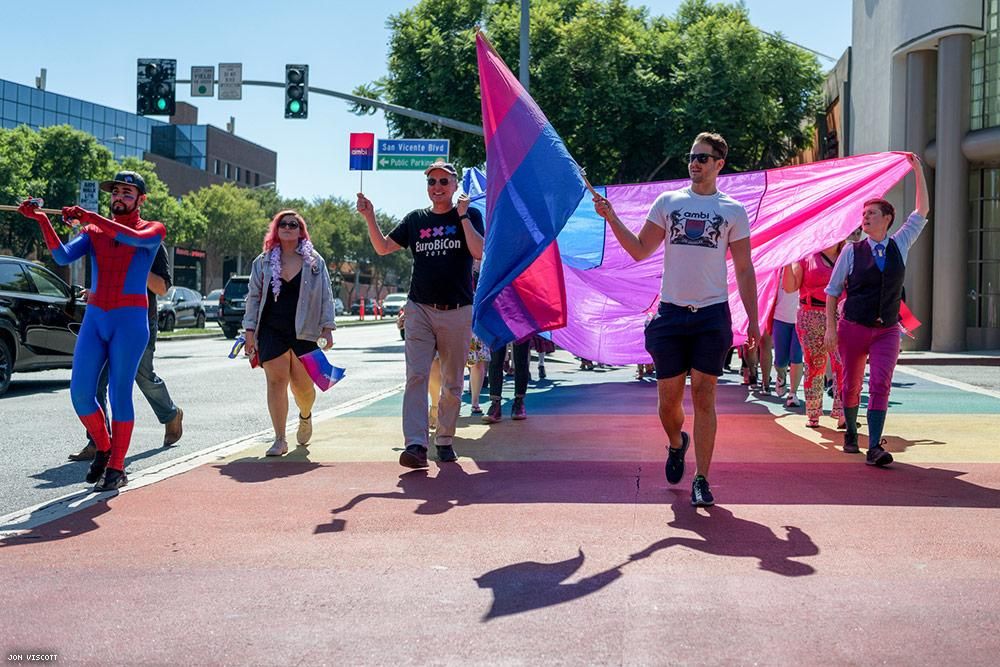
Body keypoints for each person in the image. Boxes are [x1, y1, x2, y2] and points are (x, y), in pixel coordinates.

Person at [593, 132, 759, 507]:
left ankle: (702, 478)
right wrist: (612, 216)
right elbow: (638, 251)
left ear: (719, 164)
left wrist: (754, 319)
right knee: (668, 403)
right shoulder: (668, 203)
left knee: (704, 394)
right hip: (670, 314)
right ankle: (675, 442)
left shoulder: (733, 210)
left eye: (703, 157)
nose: (695, 163)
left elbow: (745, 269)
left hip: (712, 314)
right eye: (692, 157)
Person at [18, 171, 166, 491]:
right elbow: (62, 255)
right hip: (96, 318)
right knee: (81, 394)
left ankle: (116, 467)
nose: (119, 197)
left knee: (119, 393)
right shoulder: (94, 229)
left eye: (128, 193)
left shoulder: (152, 230)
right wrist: (42, 219)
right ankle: (103, 446)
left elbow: (132, 239)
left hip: (130, 321)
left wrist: (90, 217)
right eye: (116, 192)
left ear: (141, 199)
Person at [358, 160, 484, 468]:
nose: (437, 188)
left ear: (455, 187)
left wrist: (464, 216)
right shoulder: (416, 220)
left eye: (443, 182)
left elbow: (479, 252)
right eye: (432, 182)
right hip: (419, 309)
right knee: (416, 375)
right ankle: (415, 444)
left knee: (453, 382)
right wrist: (369, 215)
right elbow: (384, 247)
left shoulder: (470, 215)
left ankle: (444, 439)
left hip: (457, 310)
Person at [825, 154, 930, 465]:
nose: (865, 218)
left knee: (882, 382)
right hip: (853, 326)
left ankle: (874, 447)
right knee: (851, 383)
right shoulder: (851, 251)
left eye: (871, 213)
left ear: (887, 218)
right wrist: (831, 328)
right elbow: (832, 293)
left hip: (886, 330)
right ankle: (849, 434)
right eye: (863, 214)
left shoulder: (901, 243)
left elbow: (922, 210)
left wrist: (918, 170)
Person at [68, 243, 184, 461]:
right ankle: (98, 441)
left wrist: (136, 265)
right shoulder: (107, 241)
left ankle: (171, 414)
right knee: (96, 382)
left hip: (139, 322)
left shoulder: (151, 244)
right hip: (105, 321)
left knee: (143, 376)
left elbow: (161, 288)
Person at [243, 210, 336, 457]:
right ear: (276, 229)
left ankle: (305, 415)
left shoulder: (315, 262)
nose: (287, 227)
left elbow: (326, 295)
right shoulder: (262, 261)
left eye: (293, 224)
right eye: (282, 224)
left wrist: (328, 327)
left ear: (300, 230)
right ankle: (280, 438)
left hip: (305, 331)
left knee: (302, 388)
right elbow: (253, 297)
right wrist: (249, 332)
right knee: (276, 382)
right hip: (272, 329)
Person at [786, 242, 846, 427]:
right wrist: (786, 260)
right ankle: (813, 413)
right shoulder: (806, 255)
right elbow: (790, 287)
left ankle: (844, 413)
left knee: (843, 363)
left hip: (841, 315)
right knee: (814, 364)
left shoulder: (849, 254)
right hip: (810, 314)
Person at [772, 264, 804, 408]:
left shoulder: (805, 262)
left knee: (796, 357)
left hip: (801, 318)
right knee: (780, 361)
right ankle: (781, 376)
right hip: (780, 318)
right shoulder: (777, 266)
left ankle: (793, 393)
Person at [482, 340, 530, 422]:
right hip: (499, 327)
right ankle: (495, 403)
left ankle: (519, 401)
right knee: (495, 359)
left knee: (521, 358)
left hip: (521, 327)